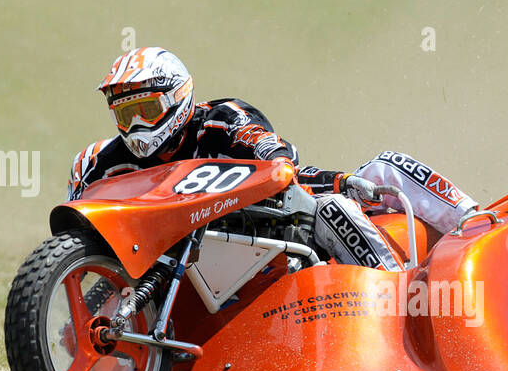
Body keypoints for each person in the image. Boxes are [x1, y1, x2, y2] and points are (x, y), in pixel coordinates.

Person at [66, 46, 477, 268]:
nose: (137, 127)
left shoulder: (225, 121)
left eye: (147, 111)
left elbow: (279, 165)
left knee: (372, 177)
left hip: (266, 236)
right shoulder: (103, 163)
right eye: (125, 114)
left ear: (177, 99)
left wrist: (321, 176)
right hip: (177, 267)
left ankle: (472, 230)